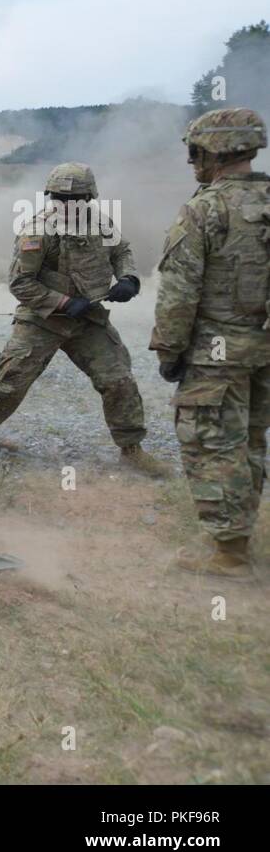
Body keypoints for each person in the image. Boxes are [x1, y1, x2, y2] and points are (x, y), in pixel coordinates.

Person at [0, 162, 168, 478]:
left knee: (118, 380)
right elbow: (21, 283)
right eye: (61, 197)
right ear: (51, 197)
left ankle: (131, 449)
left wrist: (128, 278)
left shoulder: (100, 224)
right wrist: (62, 302)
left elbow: (121, 251)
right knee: (10, 382)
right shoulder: (38, 230)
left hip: (88, 319)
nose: (68, 203)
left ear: (89, 196)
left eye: (76, 197)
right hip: (42, 320)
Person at [151, 107, 269, 578]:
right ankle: (236, 534)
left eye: (195, 152)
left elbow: (179, 293)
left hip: (217, 355)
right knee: (249, 443)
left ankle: (229, 553)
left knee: (213, 444)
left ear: (214, 151)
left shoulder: (205, 209)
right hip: (263, 352)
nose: (191, 162)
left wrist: (170, 351)